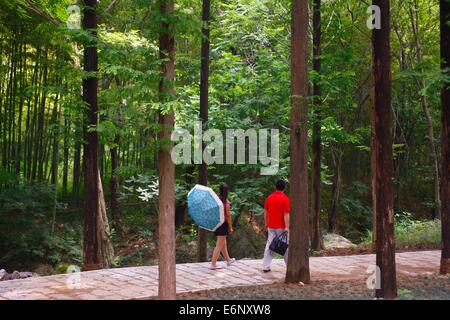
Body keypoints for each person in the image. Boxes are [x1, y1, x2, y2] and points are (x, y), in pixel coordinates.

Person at [262, 179, 290, 272]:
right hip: (281, 226)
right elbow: (286, 214)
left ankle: (266, 266)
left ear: (275, 187)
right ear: (284, 188)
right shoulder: (285, 199)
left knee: (270, 245)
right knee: (284, 245)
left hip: (271, 225)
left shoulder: (269, 198)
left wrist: (266, 223)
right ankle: (289, 266)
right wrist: (287, 227)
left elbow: (265, 212)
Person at [210, 183, 236, 269]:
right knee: (219, 245)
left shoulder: (216, 200)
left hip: (217, 223)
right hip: (223, 225)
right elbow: (228, 216)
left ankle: (228, 260)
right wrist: (231, 227)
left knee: (223, 243)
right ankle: (213, 264)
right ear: (227, 192)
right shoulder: (226, 202)